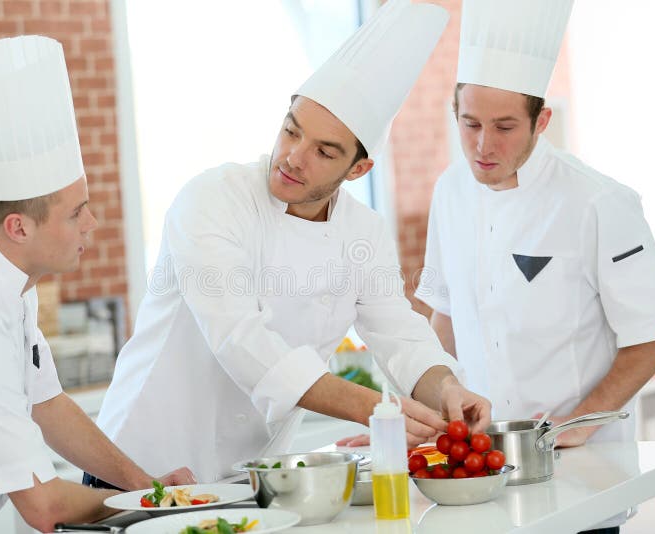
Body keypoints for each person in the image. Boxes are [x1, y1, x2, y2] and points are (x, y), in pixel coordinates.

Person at [93, 0, 491, 486]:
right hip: (138, 473)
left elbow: (399, 334)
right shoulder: (214, 198)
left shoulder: (362, 232)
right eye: (291, 131)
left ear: (359, 169)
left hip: (246, 481)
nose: (293, 158)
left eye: (324, 151)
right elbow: (240, 339)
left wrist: (446, 387)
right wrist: (375, 408)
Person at [0, 36, 194, 534]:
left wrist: (148, 486)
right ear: (19, 227)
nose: (93, 224)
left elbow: (48, 405)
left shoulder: (5, 279)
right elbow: (45, 508)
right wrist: (151, 507)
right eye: (77, 212)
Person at [414, 0, 655, 531]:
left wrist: (580, 423)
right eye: (469, 124)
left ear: (542, 120)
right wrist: (425, 405)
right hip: (478, 475)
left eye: (505, 126)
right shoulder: (449, 191)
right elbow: (444, 317)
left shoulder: (596, 202)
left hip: (580, 475)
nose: (483, 146)